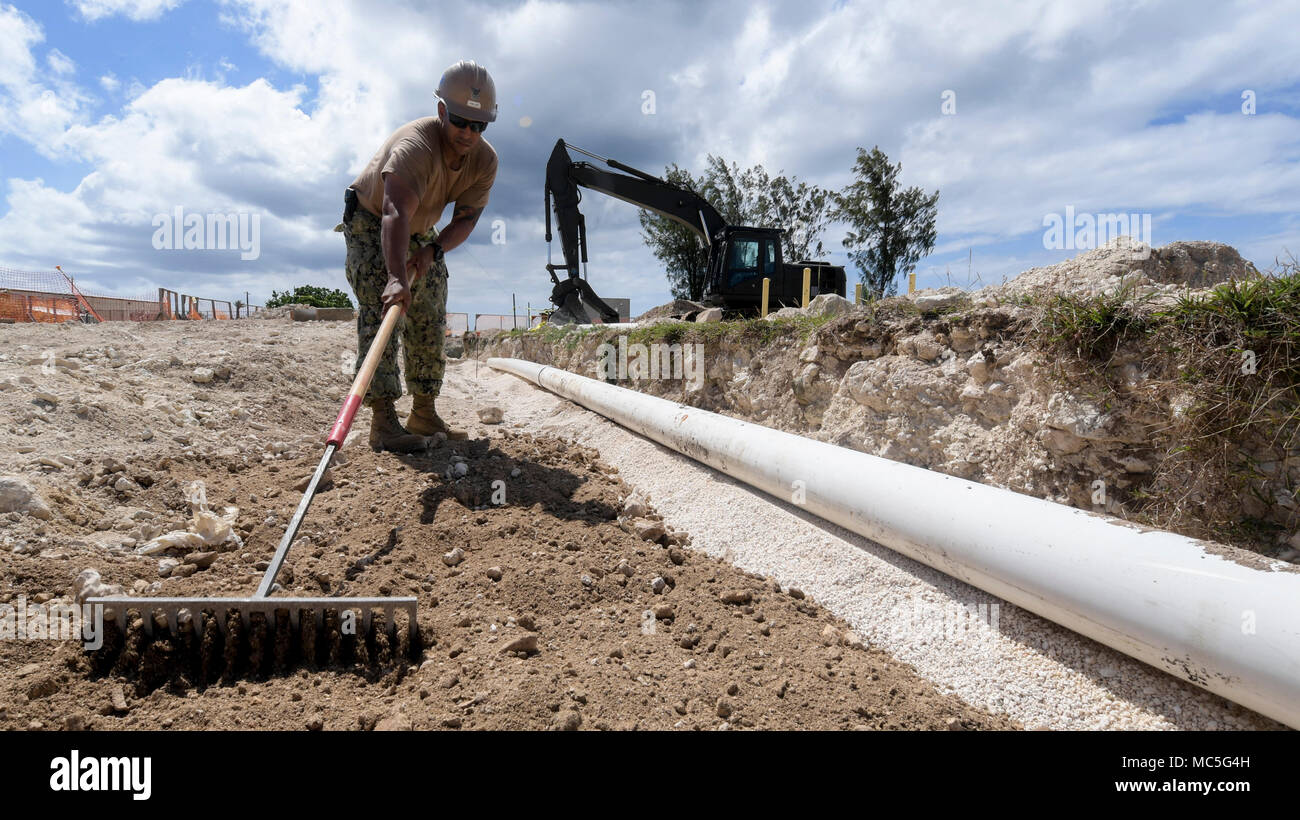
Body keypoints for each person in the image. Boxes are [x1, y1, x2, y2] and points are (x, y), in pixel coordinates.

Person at [337, 59, 498, 452]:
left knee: (429, 305)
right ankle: (383, 421)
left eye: (479, 126)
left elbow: (466, 218)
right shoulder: (416, 146)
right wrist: (396, 277)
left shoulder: (484, 161)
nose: (469, 133)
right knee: (383, 304)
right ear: (443, 111)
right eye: (461, 122)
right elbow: (394, 212)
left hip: (420, 229)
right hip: (373, 221)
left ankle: (424, 412)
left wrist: (434, 250)